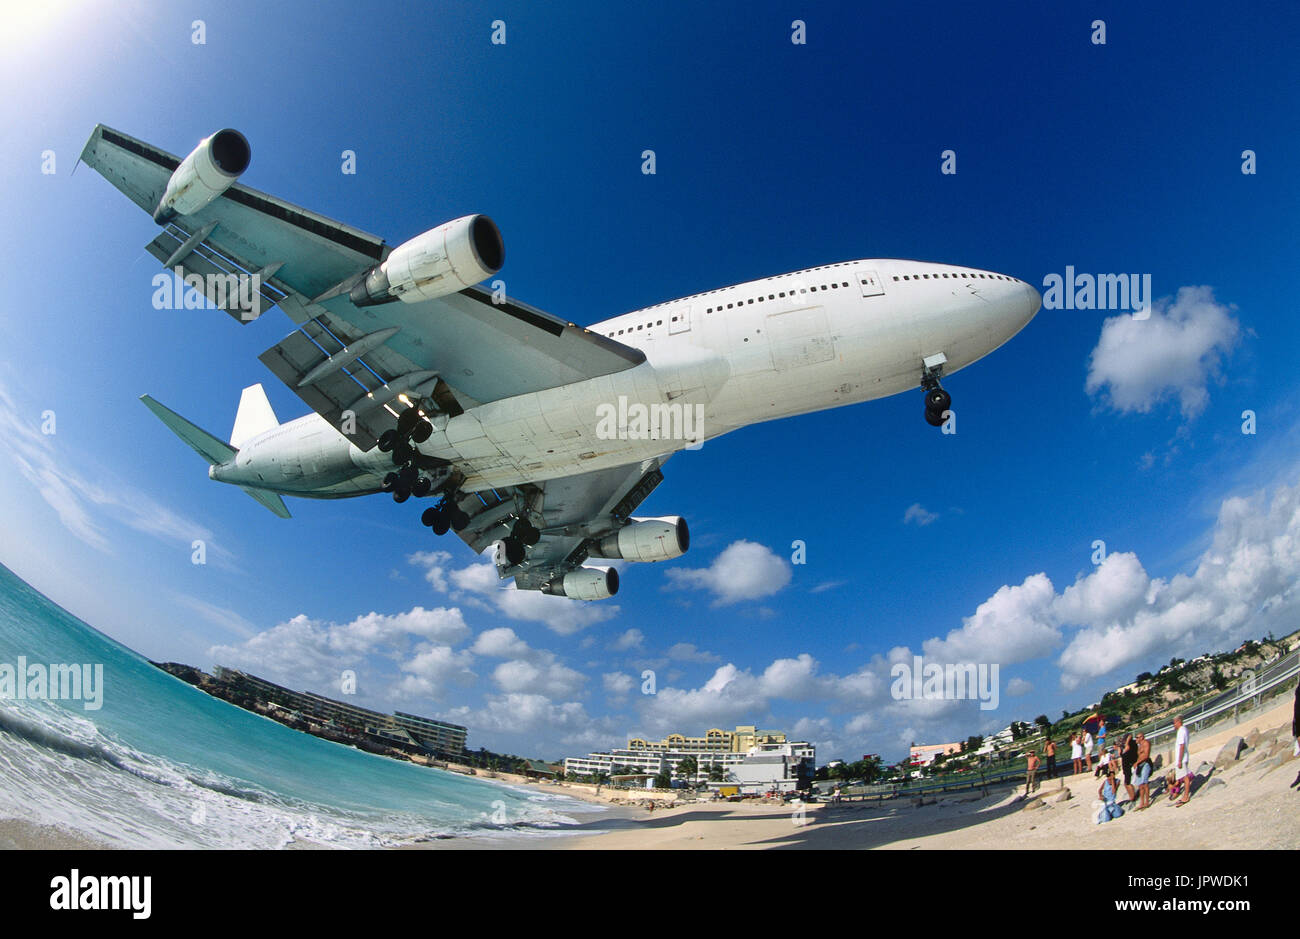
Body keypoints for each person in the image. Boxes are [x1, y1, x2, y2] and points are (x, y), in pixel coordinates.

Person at [1173, 716, 1192, 806]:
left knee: (1185, 778)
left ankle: (1186, 796)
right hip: (1183, 757)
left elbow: (1182, 745)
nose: (1173, 725)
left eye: (1174, 723)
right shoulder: (1184, 730)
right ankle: (1181, 794)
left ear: (1178, 722)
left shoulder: (1181, 731)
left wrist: (1179, 760)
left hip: (1182, 758)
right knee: (1183, 778)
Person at [1134, 732, 1152, 809]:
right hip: (1140, 765)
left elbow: (1146, 755)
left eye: (1137, 737)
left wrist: (1137, 762)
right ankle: (1142, 802)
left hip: (1145, 764)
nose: (1136, 739)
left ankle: (1147, 802)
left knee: (1145, 783)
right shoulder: (1139, 746)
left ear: (1141, 737)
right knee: (1140, 785)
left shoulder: (1146, 743)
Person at [1121, 733, 1138, 804]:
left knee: (1127, 783)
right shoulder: (1133, 744)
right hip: (1129, 764)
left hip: (1129, 764)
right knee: (1126, 783)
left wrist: (1126, 742)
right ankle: (1132, 796)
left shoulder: (1130, 744)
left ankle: (1132, 797)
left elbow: (1126, 750)